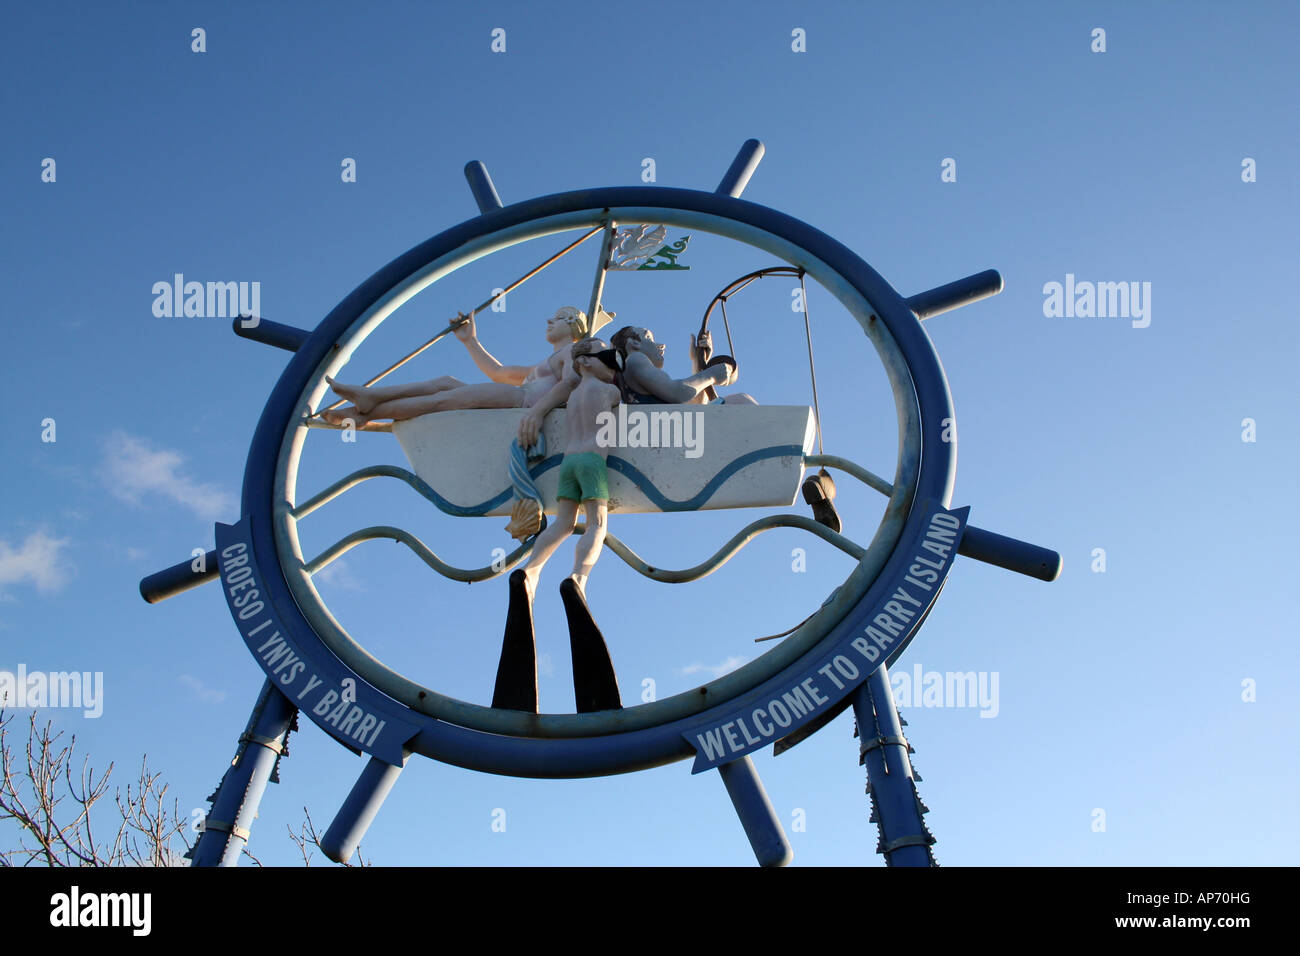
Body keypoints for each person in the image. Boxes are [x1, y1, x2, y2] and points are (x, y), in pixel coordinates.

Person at [493, 337, 624, 714]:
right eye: (606, 358)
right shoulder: (608, 391)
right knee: (597, 522)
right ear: (584, 363)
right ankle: (578, 579)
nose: (612, 364)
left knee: (564, 523)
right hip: (593, 464)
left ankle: (531, 572)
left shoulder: (572, 398)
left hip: (568, 463)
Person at [320, 306, 613, 445]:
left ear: (575, 327)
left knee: (445, 399)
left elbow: (570, 383)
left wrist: (537, 412)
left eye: (559, 317)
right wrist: (470, 340)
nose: (549, 319)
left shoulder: (572, 353)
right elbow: (497, 372)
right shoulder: (544, 363)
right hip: (517, 395)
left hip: (522, 402)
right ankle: (370, 398)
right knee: (444, 383)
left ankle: (368, 412)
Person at [609, 326, 757, 406]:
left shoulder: (638, 372)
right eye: (649, 338)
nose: (661, 345)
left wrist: (698, 361)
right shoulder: (635, 358)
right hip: (668, 434)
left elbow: (697, 403)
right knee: (741, 401)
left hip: (672, 432)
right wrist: (710, 374)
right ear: (633, 343)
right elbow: (677, 393)